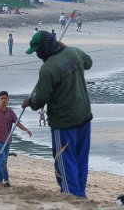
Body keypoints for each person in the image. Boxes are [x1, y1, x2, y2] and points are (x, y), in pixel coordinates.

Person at [22, 30, 93, 197]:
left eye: (38, 50)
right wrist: (66, 48)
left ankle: (71, 196)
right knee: (80, 159)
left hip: (64, 123)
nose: (37, 54)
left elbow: (40, 100)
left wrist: (30, 101)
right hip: (84, 116)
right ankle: (80, 194)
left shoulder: (47, 69)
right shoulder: (75, 53)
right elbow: (88, 62)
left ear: (45, 48)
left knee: (65, 161)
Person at [0, 90, 32, 186]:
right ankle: (6, 180)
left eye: (5, 98)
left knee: (3, 161)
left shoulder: (10, 112)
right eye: (2, 98)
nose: (3, 100)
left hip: (7, 140)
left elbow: (17, 123)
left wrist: (26, 130)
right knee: (2, 159)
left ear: (8, 100)